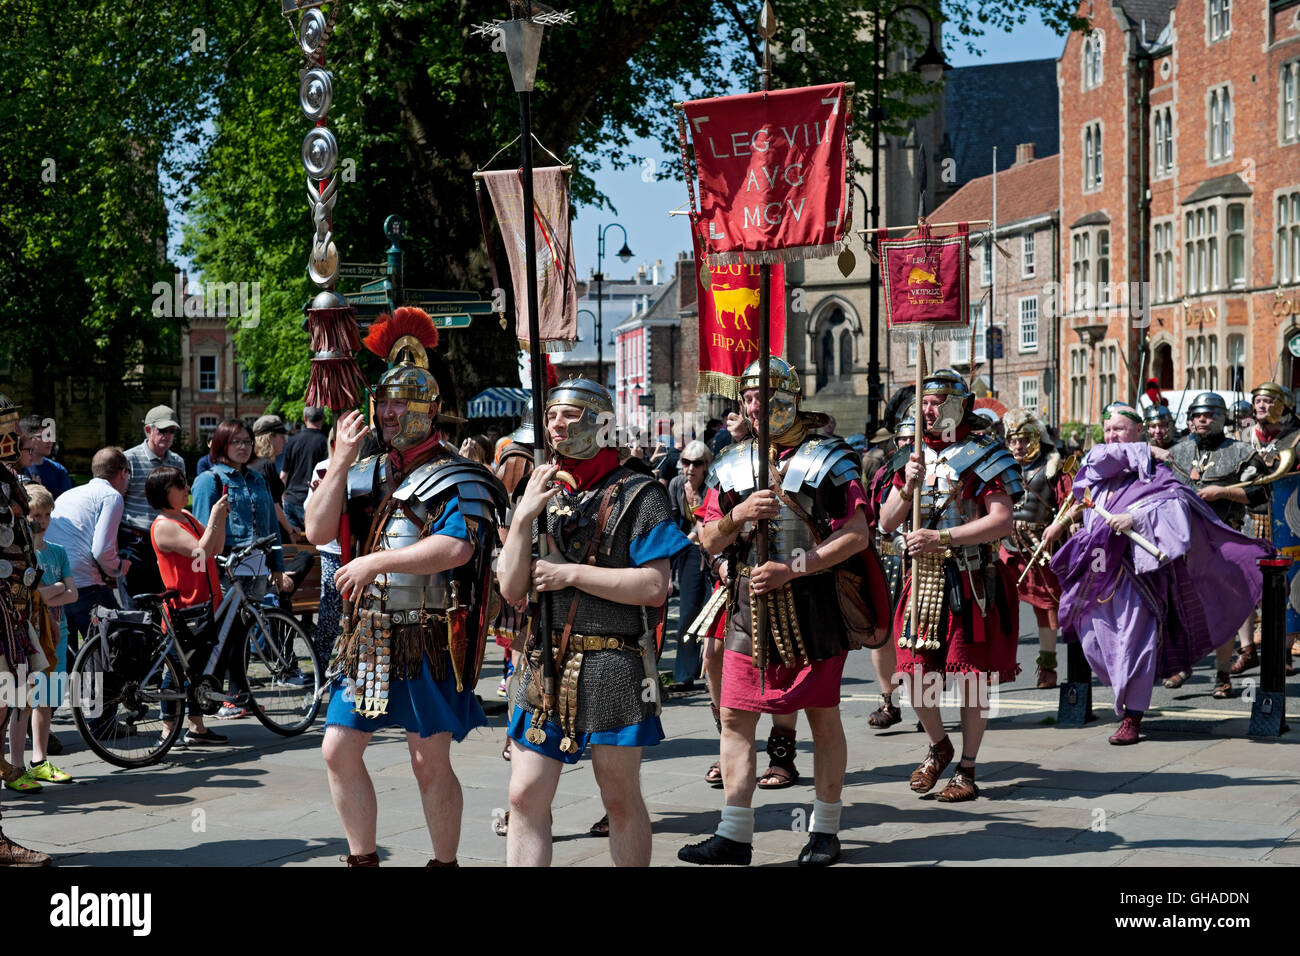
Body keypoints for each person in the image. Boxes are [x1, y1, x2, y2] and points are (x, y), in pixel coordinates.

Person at [307, 306, 505, 868]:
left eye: (400, 403)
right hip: (367, 634)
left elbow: (457, 548)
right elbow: (317, 529)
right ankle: (362, 859)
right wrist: (341, 462)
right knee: (338, 750)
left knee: (427, 761)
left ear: (427, 409)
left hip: (427, 633)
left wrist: (375, 563)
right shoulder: (365, 467)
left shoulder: (457, 473)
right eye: (384, 402)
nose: (388, 413)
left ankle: (444, 863)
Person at [678, 358, 889, 867]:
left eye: (764, 395)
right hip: (748, 608)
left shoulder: (830, 457)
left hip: (813, 606)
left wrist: (794, 568)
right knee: (734, 717)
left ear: (791, 397)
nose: (754, 406)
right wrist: (738, 515)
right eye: (747, 397)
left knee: (821, 717)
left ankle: (825, 829)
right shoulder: (731, 461)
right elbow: (707, 538)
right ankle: (733, 833)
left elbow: (856, 535)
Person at [499, 378, 690, 867]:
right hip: (545, 662)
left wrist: (570, 574)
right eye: (552, 416)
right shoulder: (538, 485)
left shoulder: (639, 491)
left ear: (600, 423)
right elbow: (510, 588)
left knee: (619, 799)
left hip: (612, 661)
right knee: (523, 797)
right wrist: (522, 519)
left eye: (570, 416)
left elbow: (652, 586)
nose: (557, 426)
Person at [1044, 404, 1269, 743]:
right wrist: (1060, 523)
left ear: (1139, 433)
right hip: (1099, 573)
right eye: (1107, 431)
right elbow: (1085, 499)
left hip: (1138, 578)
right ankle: (1125, 699)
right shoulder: (1101, 474)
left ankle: (1132, 717)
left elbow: (1175, 505)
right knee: (1091, 641)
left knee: (1135, 646)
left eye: (1119, 430)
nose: (1111, 437)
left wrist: (1135, 519)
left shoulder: (1156, 474)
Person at [878, 369, 1021, 804]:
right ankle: (940, 745)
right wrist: (909, 488)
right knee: (915, 673)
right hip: (922, 580)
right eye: (923, 402)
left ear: (959, 405)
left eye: (935, 402)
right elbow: (885, 523)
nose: (926, 409)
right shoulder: (912, 457)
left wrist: (942, 537)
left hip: (970, 577)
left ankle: (968, 767)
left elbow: (1001, 520)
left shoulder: (985, 455)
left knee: (972, 678)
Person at [1166, 392, 1267, 699]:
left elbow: (1259, 493)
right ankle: (1184, 664)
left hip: (1225, 541)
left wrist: (1223, 493)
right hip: (1182, 543)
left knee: (1222, 612)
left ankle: (1223, 675)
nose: (1202, 420)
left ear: (1221, 418)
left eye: (1208, 415)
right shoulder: (1176, 452)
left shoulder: (1242, 452)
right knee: (1182, 609)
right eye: (1197, 415)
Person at [191, 419, 288, 719]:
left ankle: (237, 694)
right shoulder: (210, 480)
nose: (244, 447)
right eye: (236, 442)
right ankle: (214, 695)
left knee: (244, 634)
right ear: (222, 444)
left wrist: (277, 566)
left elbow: (271, 528)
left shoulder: (258, 479)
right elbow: (201, 528)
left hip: (256, 564)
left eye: (247, 441)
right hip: (225, 565)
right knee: (223, 634)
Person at [147, 466, 230, 746]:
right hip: (181, 608)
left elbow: (215, 548)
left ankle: (197, 727)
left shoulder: (184, 516)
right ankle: (167, 730)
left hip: (201, 604)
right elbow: (201, 552)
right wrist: (216, 516)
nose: (186, 489)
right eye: (179, 485)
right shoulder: (164, 525)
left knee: (196, 668)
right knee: (175, 671)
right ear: (164, 492)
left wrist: (221, 519)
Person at [5, 484, 77, 792]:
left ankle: (40, 759)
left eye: (47, 515)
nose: (42, 521)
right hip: (24, 636)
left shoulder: (57, 552)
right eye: (36, 515)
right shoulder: (19, 554)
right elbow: (35, 595)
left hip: (55, 637)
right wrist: (55, 589)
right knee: (19, 701)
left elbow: (73, 594)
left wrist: (53, 592)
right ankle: (15, 765)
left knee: (46, 702)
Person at [1000, 409, 1073, 689]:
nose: (1018, 446)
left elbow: (1071, 503)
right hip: (1004, 546)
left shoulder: (1054, 466)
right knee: (1000, 608)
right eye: (1013, 440)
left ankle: (1048, 666)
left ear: (1037, 438)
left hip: (1039, 546)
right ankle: (1002, 664)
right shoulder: (1001, 467)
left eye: (1024, 439)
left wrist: (1060, 527)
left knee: (1047, 607)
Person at [45, 447, 132, 660]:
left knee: (70, 657)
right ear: (123, 473)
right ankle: (108, 693)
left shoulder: (71, 494)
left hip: (55, 580)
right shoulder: (112, 496)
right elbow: (102, 550)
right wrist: (119, 567)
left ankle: (77, 693)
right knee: (116, 644)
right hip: (83, 583)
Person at [666, 440, 713, 692]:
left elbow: (705, 520)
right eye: (686, 462)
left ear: (706, 466)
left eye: (697, 463)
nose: (690, 468)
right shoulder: (675, 485)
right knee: (687, 615)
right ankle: (684, 674)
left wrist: (686, 542)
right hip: (688, 554)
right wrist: (667, 565)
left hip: (714, 551)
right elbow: (672, 521)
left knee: (713, 614)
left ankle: (713, 672)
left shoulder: (712, 486)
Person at [280, 406, 329, 531]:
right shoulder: (325, 442)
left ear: (305, 418)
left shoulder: (293, 441)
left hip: (291, 499)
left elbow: (283, 475)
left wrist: (283, 498)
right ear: (323, 418)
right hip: (312, 500)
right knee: (314, 545)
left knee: (294, 545)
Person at [17, 416, 72, 499]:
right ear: (26, 438)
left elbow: (67, 502)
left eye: (51, 436)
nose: (51, 441)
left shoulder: (59, 470)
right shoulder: (15, 469)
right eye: (44, 436)